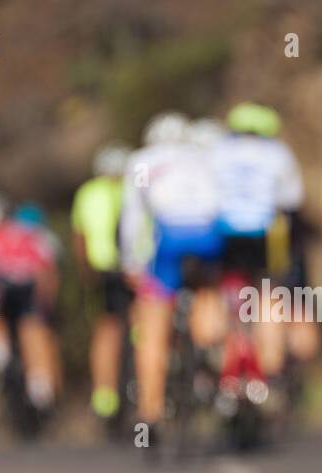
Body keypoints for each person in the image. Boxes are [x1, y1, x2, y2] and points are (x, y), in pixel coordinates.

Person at [119, 111, 226, 433]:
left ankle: (150, 414)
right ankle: (209, 355)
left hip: (168, 237)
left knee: (152, 329)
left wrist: (132, 263)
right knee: (208, 292)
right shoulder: (205, 156)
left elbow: (133, 217)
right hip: (207, 235)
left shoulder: (141, 160)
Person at [210, 103, 304, 391]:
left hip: (224, 231)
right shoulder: (277, 153)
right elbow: (292, 200)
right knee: (268, 293)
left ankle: (223, 366)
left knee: (223, 292)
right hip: (265, 232)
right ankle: (269, 367)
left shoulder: (216, 151)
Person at [0, 196, 62, 413]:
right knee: (33, 328)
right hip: (28, 287)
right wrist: (46, 305)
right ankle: (40, 385)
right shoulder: (32, 233)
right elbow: (46, 272)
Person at [72, 143, 133, 424]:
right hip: (132, 268)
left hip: (101, 270)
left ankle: (104, 394)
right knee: (137, 324)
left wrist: (85, 271)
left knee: (106, 329)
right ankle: (137, 383)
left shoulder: (87, 192)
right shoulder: (131, 188)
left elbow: (79, 235)